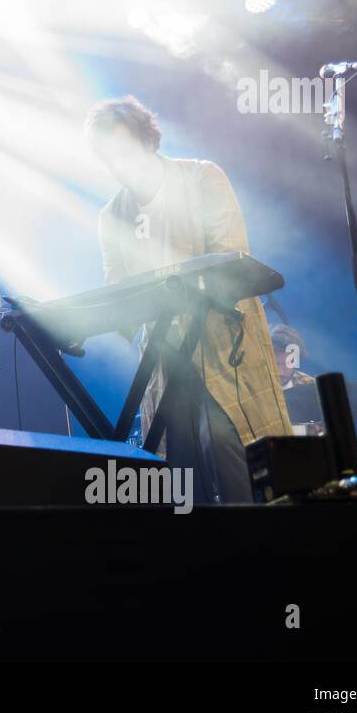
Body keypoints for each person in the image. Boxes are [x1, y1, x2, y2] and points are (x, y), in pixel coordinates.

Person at [87, 95, 290, 503]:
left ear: (149, 141)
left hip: (222, 355)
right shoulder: (112, 217)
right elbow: (120, 298)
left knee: (237, 466)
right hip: (166, 366)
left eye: (124, 149)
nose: (118, 163)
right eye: (108, 156)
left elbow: (229, 261)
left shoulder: (202, 179)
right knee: (176, 488)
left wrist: (173, 284)